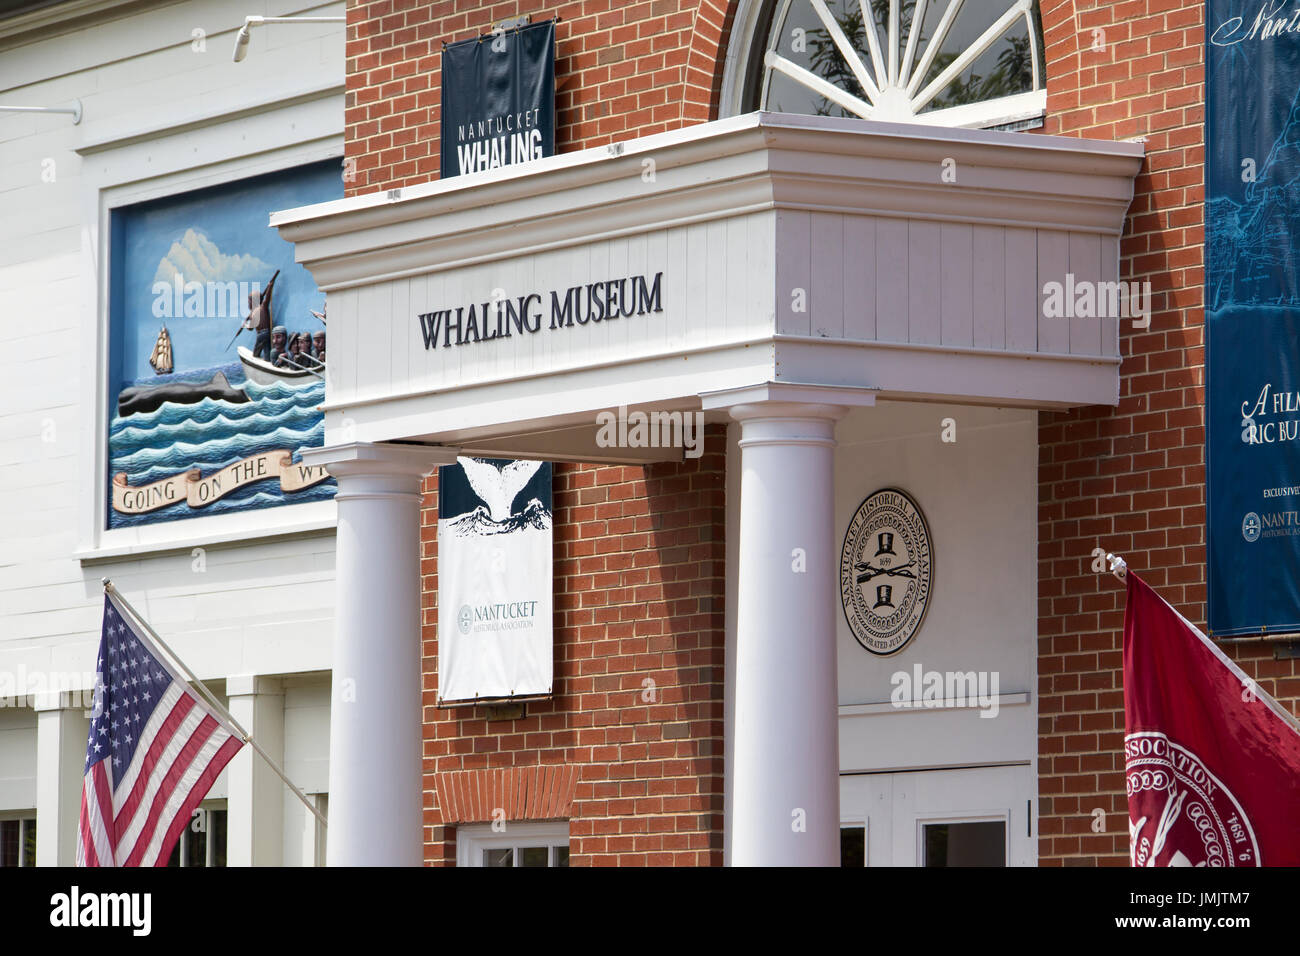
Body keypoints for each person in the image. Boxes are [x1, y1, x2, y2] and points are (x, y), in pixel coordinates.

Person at [244, 270, 279, 361]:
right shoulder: (256, 310)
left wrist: (270, 286)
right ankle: (267, 360)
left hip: (262, 334)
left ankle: (263, 360)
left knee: (256, 353)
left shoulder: (262, 307)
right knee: (266, 350)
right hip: (267, 333)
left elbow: (251, 328)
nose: (248, 304)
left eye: (249, 302)